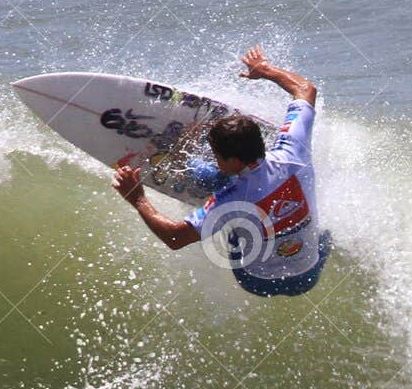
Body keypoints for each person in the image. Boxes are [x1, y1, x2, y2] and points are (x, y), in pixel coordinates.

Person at [111, 46, 331, 298]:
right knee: (325, 236)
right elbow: (305, 89)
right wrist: (265, 70)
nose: (217, 158)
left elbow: (175, 238)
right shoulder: (293, 150)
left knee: (216, 181)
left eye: (217, 155)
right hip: (308, 275)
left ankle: (192, 164)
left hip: (257, 281)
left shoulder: (229, 200)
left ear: (235, 159)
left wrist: (137, 198)